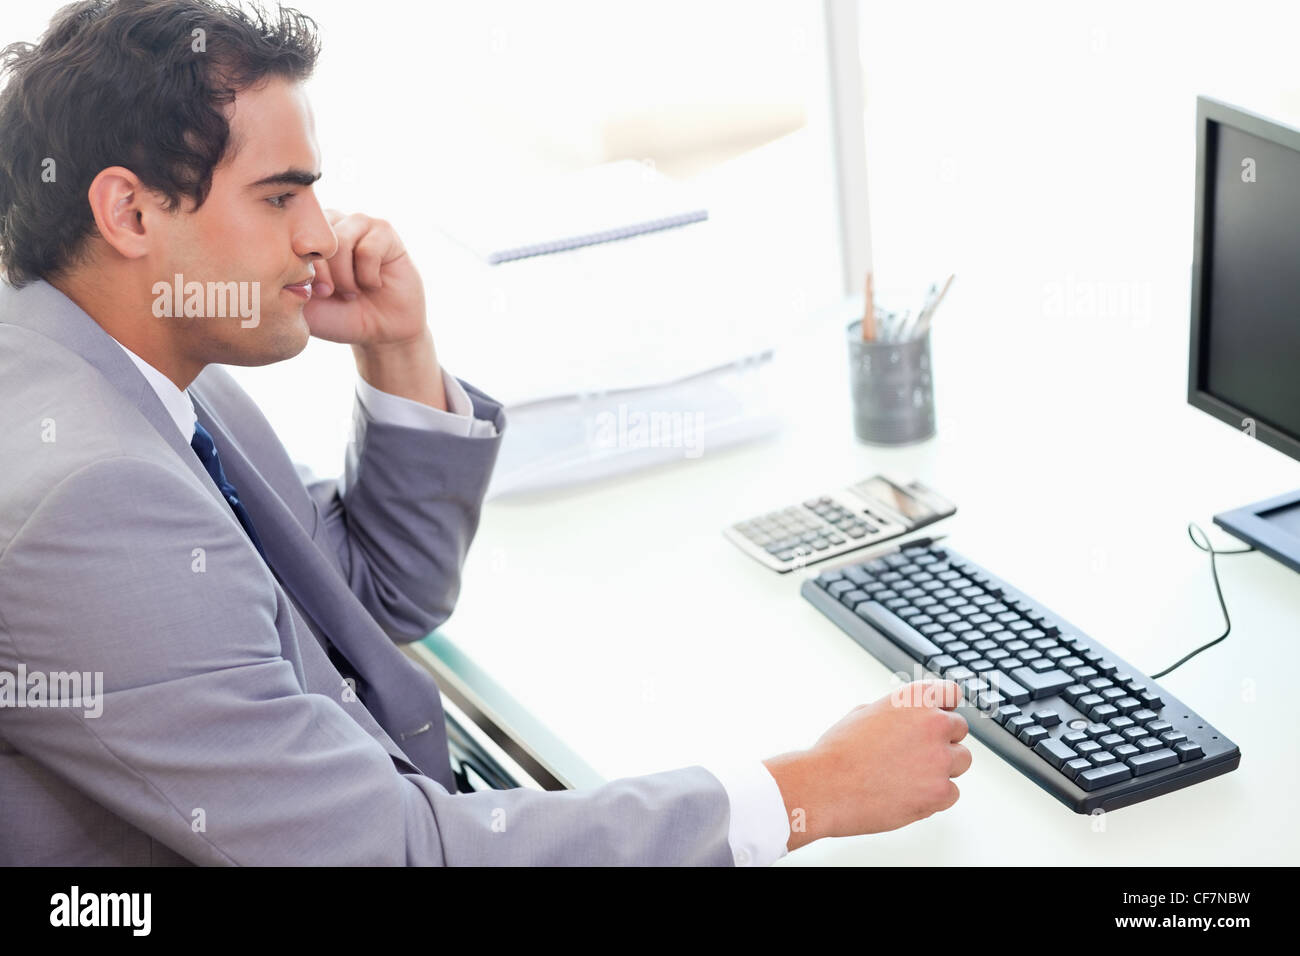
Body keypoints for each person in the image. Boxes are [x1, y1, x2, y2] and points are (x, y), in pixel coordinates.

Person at [0, 0, 971, 865]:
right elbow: (392, 852)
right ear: (129, 209)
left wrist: (399, 350)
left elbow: (375, 599)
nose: (320, 234)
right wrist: (808, 791)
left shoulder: (115, 359)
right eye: (279, 194)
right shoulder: (96, 498)